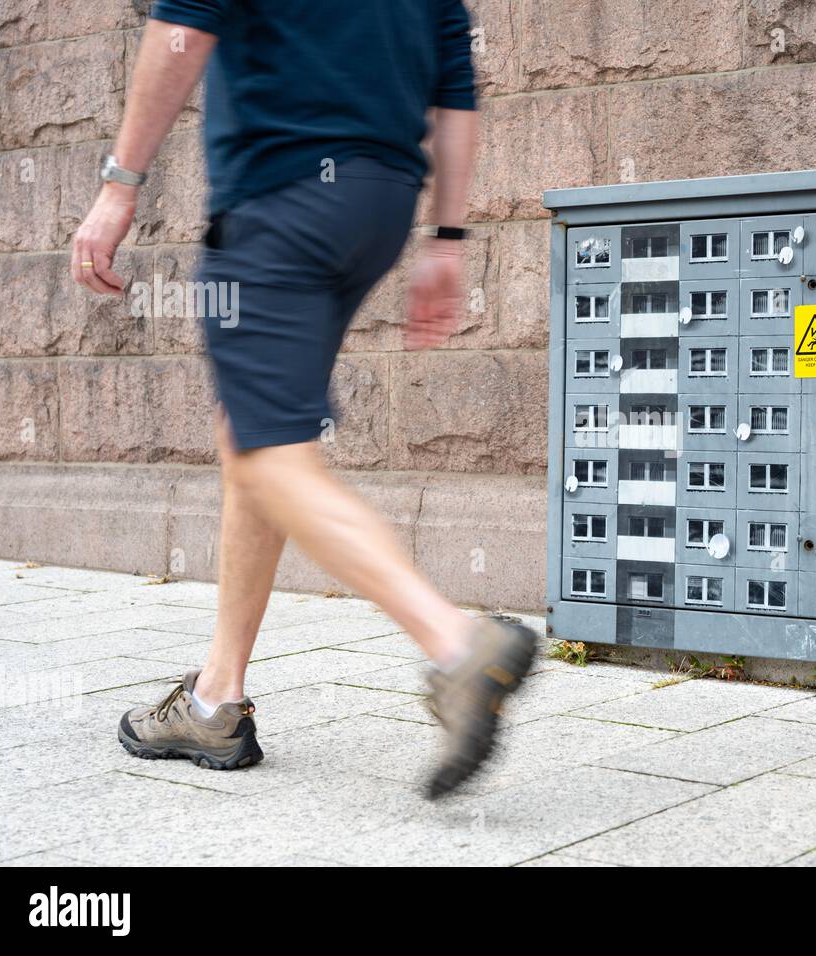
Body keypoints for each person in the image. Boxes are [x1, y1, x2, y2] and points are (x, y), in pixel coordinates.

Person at [71, 0, 535, 799]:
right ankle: (216, 698)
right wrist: (448, 241)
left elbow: (180, 33)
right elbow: (456, 95)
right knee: (253, 429)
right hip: (377, 207)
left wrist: (119, 188)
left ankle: (458, 645)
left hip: (278, 203)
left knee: (270, 451)